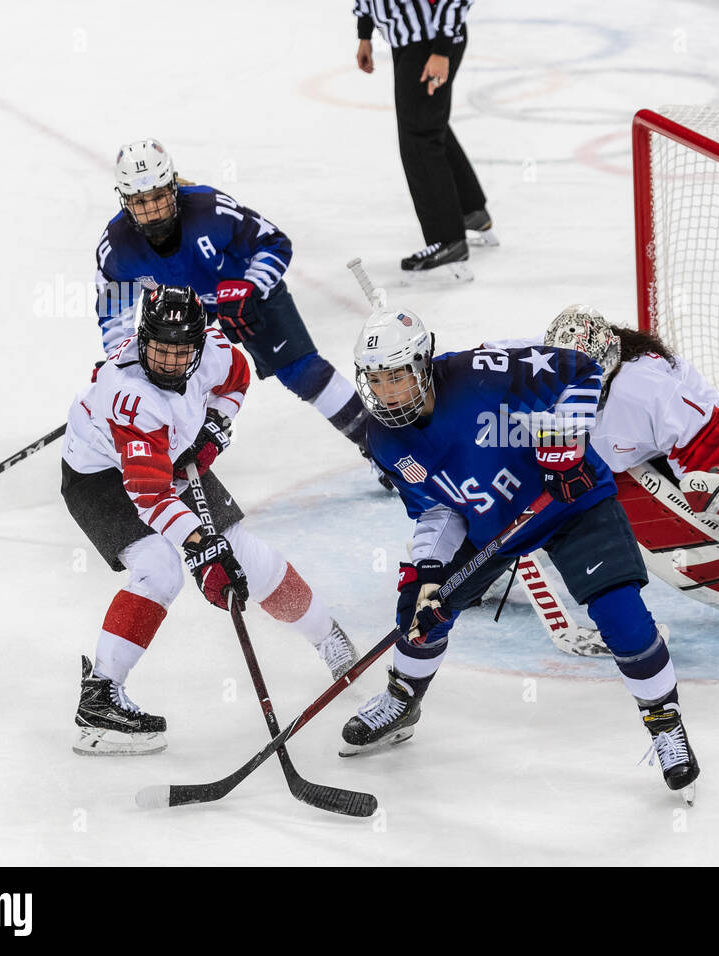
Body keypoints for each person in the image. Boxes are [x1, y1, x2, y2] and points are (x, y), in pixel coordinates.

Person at [342, 306, 700, 800]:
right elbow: (438, 510)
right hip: (493, 525)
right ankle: (402, 699)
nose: (387, 392)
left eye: (398, 376)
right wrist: (428, 574)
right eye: (376, 380)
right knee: (417, 614)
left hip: (571, 499)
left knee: (624, 621)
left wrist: (564, 450)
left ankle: (665, 726)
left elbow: (579, 369)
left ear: (422, 364)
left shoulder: (476, 375)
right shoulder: (383, 439)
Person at [62, 285, 358, 756]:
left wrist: (216, 426)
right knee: (159, 568)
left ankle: (326, 635)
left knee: (247, 556)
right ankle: (100, 698)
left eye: (182, 352)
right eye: (159, 349)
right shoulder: (134, 397)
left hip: (171, 455)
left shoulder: (216, 353)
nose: (169, 362)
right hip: (100, 477)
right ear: (143, 339)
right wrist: (200, 543)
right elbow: (149, 494)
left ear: (200, 344)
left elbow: (239, 378)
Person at [519, 306, 719, 651]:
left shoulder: (644, 389)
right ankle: (488, 577)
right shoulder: (531, 369)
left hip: (654, 456)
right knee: (500, 508)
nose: (580, 393)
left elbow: (706, 440)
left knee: (681, 542)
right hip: (586, 455)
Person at [94, 139, 390, 488]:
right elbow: (114, 312)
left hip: (245, 289)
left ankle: (383, 449)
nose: (153, 209)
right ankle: (167, 469)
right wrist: (121, 362)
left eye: (159, 195)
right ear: (124, 200)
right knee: (164, 382)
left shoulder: (211, 210)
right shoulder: (116, 246)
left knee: (302, 371)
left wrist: (250, 287)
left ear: (173, 185)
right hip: (185, 312)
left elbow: (275, 243)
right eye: (141, 201)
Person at [354, 1, 496, 277]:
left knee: (420, 138)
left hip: (431, 45)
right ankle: (471, 211)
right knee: (428, 126)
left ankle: (448, 240)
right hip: (408, 43)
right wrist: (365, 33)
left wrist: (441, 50)